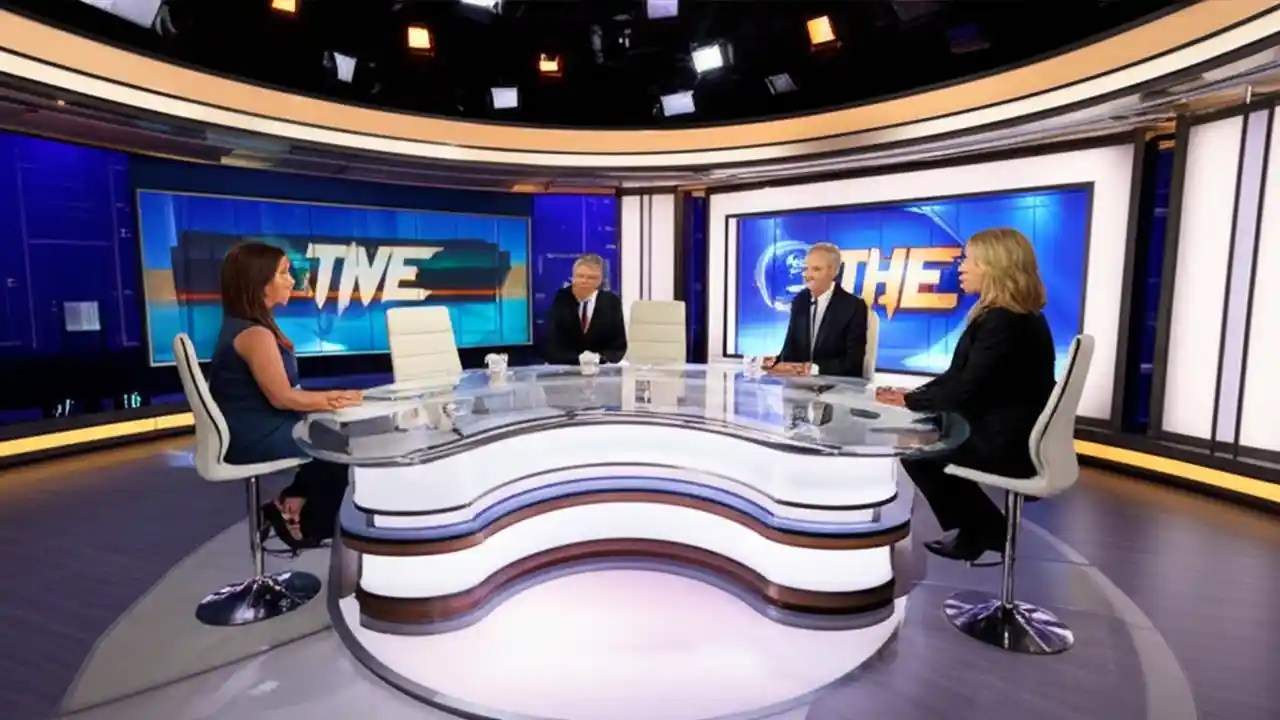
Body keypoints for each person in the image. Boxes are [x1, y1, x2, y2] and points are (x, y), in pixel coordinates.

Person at [877, 228, 1056, 565]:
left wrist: (910, 403)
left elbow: (966, 390)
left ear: (995, 267)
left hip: (1008, 443)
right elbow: (959, 378)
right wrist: (912, 395)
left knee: (919, 453)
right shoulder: (1009, 317)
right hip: (1008, 431)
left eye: (969, 261)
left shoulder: (1004, 322)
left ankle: (985, 530)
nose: (961, 267)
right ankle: (981, 529)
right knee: (924, 436)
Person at [208, 242, 363, 551]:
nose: (292, 280)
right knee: (341, 446)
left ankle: (291, 505)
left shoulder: (251, 326)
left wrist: (328, 403)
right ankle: (307, 526)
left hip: (255, 427)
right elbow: (282, 398)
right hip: (251, 436)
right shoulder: (255, 334)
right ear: (258, 281)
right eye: (283, 273)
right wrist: (337, 399)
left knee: (332, 434)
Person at [765, 242, 868, 378]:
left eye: (816, 269)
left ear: (833, 271)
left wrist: (812, 369)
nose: (808, 275)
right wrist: (775, 363)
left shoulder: (853, 306)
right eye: (806, 269)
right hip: (799, 387)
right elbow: (790, 350)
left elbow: (853, 363)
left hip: (837, 389)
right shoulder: (799, 302)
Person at [543, 253, 628, 364]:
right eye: (580, 276)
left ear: (600, 280)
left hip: (602, 370)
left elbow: (618, 347)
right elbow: (552, 345)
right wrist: (578, 359)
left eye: (591, 277)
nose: (584, 281)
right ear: (573, 277)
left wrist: (599, 359)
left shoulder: (611, 302)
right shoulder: (561, 299)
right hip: (567, 368)